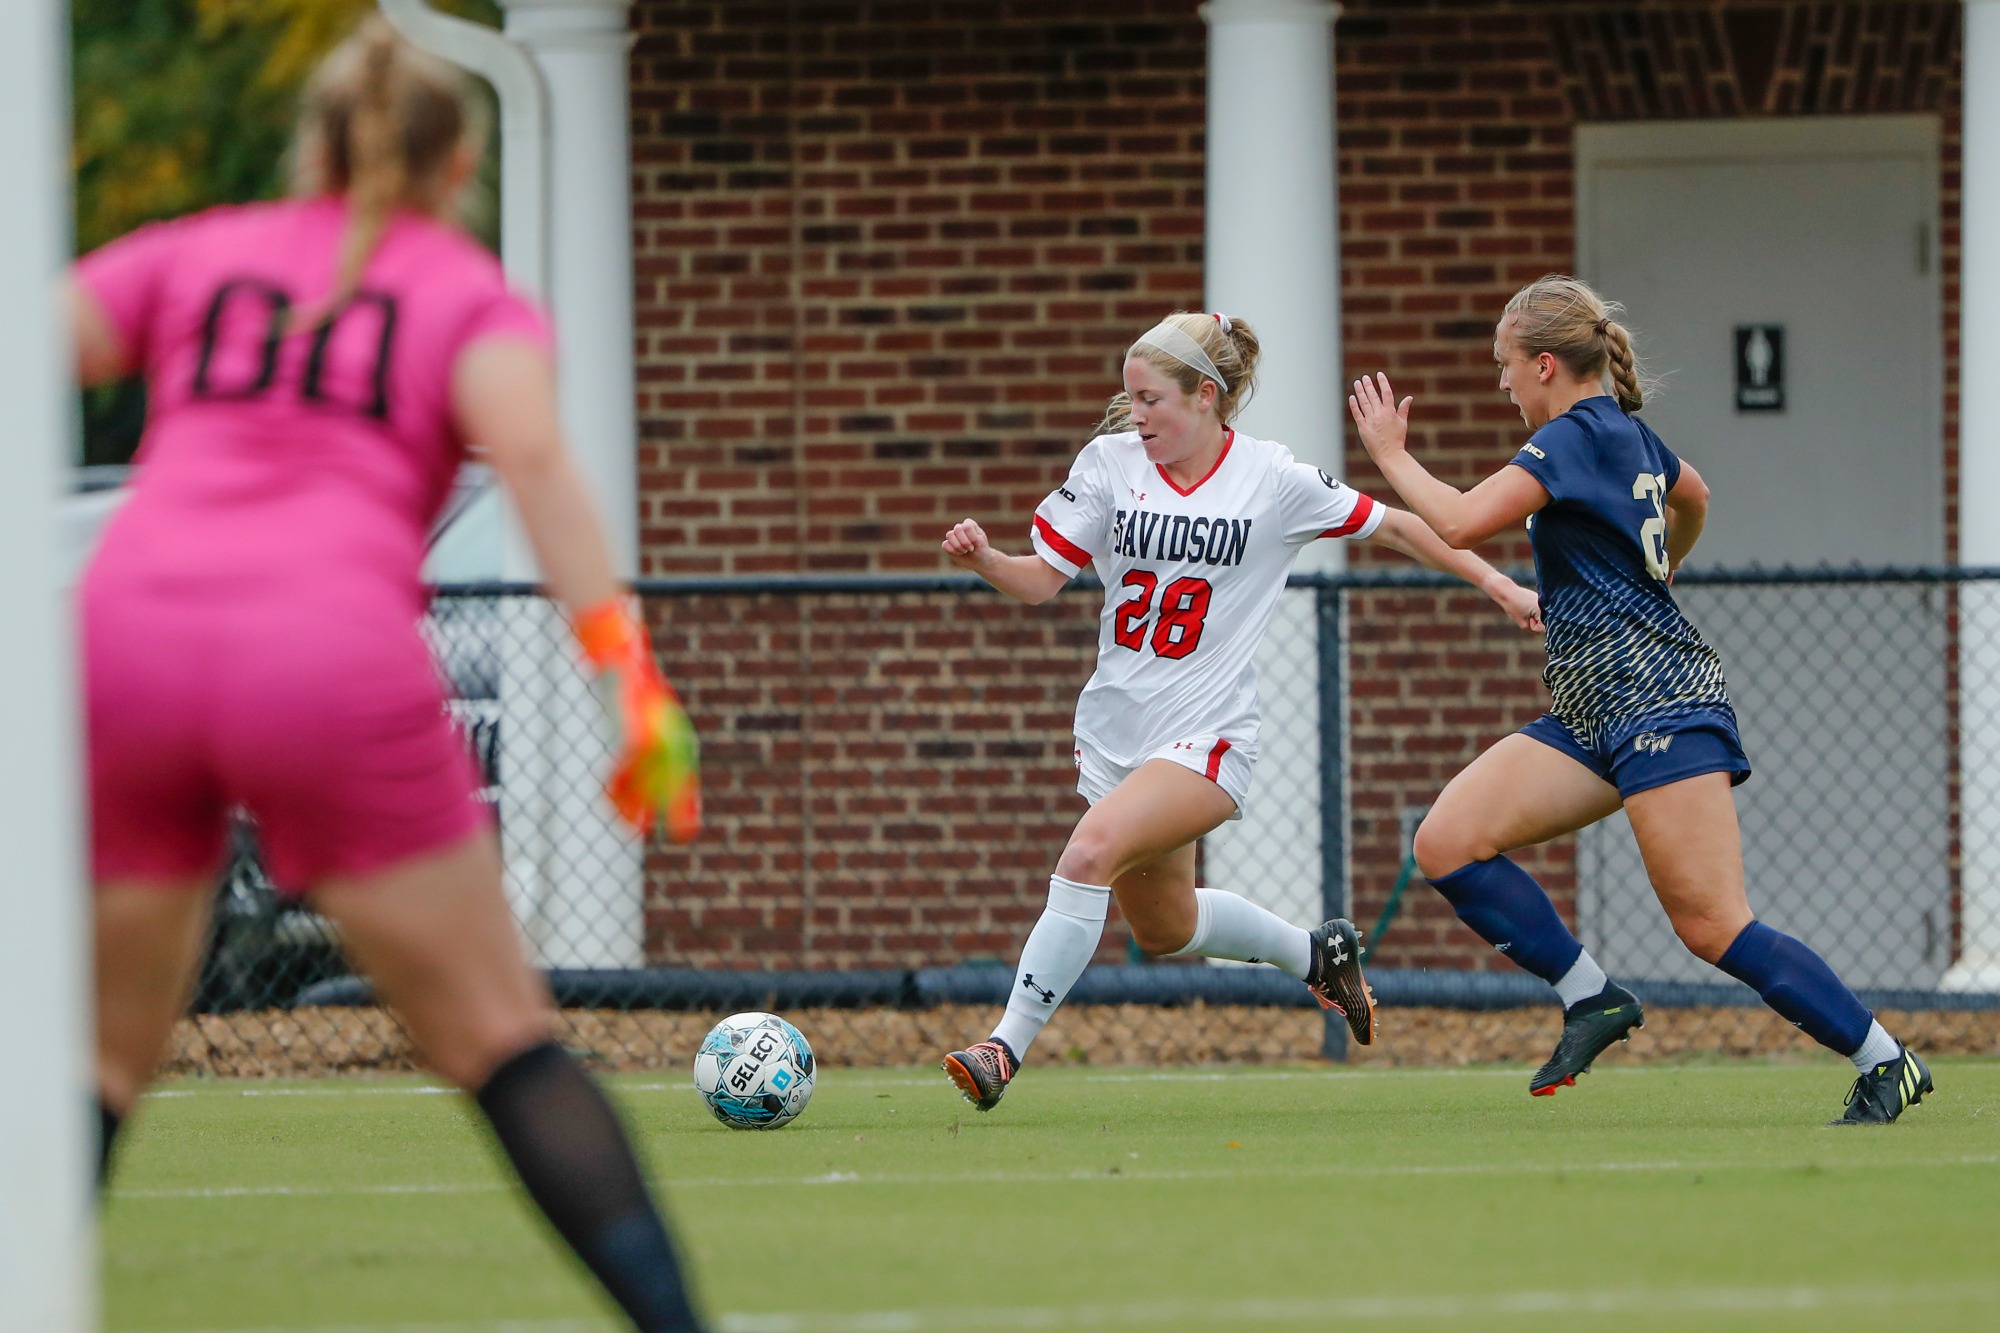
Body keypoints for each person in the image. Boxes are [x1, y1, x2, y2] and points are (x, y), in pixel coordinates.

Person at [74, 20, 707, 1330]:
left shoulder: (203, 250)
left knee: (99, 1058)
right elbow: (534, 466)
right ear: (457, 157)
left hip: (127, 638)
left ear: (314, 143)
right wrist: (631, 690)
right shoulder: (465, 293)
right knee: (497, 1037)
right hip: (323, 657)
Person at [1348, 274, 1931, 1125]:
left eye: (1505, 367)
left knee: (1711, 924)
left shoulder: (1577, 435)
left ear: (1545, 364)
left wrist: (1391, 454)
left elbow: (1466, 521)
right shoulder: (1624, 434)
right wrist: (1660, 568)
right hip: (1593, 708)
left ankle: (1888, 1061)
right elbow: (1692, 494)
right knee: (1447, 842)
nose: (1502, 384)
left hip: (1656, 700)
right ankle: (1592, 997)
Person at [937, 311, 1545, 1110]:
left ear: (1207, 396)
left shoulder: (1271, 478)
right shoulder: (1110, 465)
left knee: (1086, 854)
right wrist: (986, 561)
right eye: (1131, 399)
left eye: (1153, 399)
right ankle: (1318, 954)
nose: (1138, 415)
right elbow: (1041, 578)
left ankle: (1002, 1048)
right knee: (1164, 927)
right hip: (1117, 734)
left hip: (1208, 738)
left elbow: (1396, 526)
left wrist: (1499, 585)